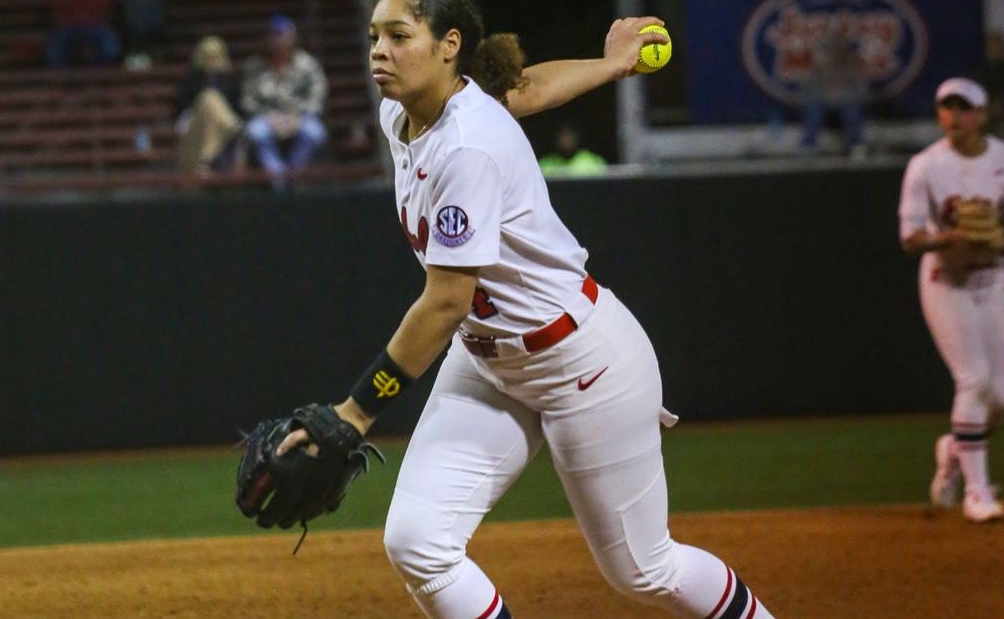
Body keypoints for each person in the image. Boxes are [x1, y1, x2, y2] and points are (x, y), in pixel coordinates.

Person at [273, 1, 775, 617]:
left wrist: (354, 411)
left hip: (581, 362)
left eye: (399, 35)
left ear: (448, 44)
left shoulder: (468, 148)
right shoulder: (400, 114)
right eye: (374, 35)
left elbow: (447, 302)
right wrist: (612, 63)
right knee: (418, 542)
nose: (379, 49)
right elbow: (524, 88)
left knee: (644, 570)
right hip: (487, 361)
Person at [897, 77, 1004, 523]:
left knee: (1002, 398)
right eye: (946, 107)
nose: (953, 116)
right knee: (974, 379)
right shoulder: (925, 166)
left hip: (993, 281)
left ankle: (954, 448)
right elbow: (909, 237)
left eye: (963, 108)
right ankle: (978, 492)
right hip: (947, 280)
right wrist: (947, 237)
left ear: (981, 114)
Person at [240, 14, 328, 191]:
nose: (278, 40)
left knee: (315, 133)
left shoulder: (307, 64)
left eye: (283, 34)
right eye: (274, 35)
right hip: (268, 117)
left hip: (299, 116)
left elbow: (317, 97)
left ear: (293, 37)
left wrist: (297, 115)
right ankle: (279, 180)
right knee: (256, 133)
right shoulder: (254, 66)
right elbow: (247, 100)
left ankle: (293, 174)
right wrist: (269, 116)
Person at [174, 36, 243, 173]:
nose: (211, 60)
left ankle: (206, 158)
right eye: (207, 55)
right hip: (198, 127)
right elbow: (181, 109)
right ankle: (228, 128)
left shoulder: (231, 81)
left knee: (211, 99)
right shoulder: (191, 80)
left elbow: (238, 107)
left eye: (215, 55)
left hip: (221, 134)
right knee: (208, 97)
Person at [799, 24, 868, 159]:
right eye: (827, 49)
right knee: (813, 111)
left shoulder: (851, 69)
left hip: (845, 103)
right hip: (822, 104)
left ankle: (857, 145)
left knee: (852, 110)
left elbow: (863, 91)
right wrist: (826, 97)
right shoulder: (815, 72)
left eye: (834, 49)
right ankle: (808, 146)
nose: (831, 52)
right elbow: (806, 94)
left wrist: (846, 96)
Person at [46, 0, 122, 68]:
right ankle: (60, 77)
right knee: (55, 49)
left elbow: (107, 11)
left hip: (96, 27)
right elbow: (58, 12)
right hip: (70, 27)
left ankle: (102, 74)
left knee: (110, 45)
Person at [538, 123, 607, 177]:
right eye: (562, 134)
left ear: (577, 136)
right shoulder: (546, 164)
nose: (566, 138)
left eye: (569, 133)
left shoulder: (593, 161)